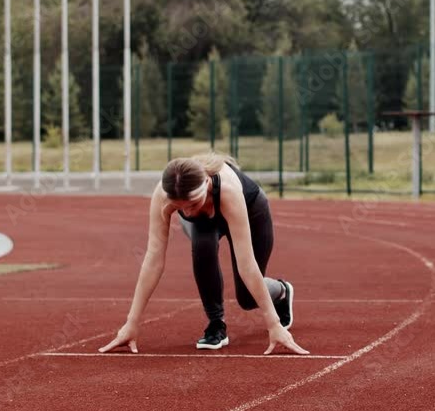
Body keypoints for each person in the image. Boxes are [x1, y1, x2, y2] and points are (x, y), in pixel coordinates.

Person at [99, 152, 307, 354]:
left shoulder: (227, 190)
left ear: (206, 184)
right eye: (180, 208)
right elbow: (153, 260)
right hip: (206, 219)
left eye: (192, 204)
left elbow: (247, 264)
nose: (188, 213)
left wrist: (274, 324)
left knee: (247, 297)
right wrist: (131, 323)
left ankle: (281, 290)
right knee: (202, 244)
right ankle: (216, 323)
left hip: (252, 210)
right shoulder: (163, 195)